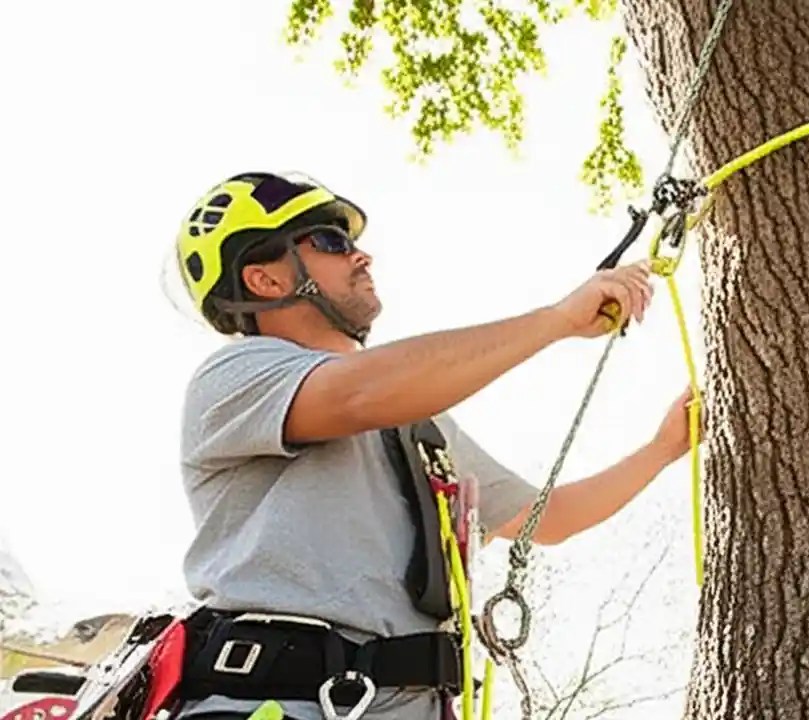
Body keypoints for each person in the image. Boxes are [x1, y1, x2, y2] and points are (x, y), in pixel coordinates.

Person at [169, 171, 700, 720]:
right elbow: (357, 393)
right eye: (330, 242)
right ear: (265, 280)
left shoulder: (416, 425)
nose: (361, 256)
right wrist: (556, 321)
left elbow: (548, 517)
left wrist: (663, 448)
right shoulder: (235, 378)